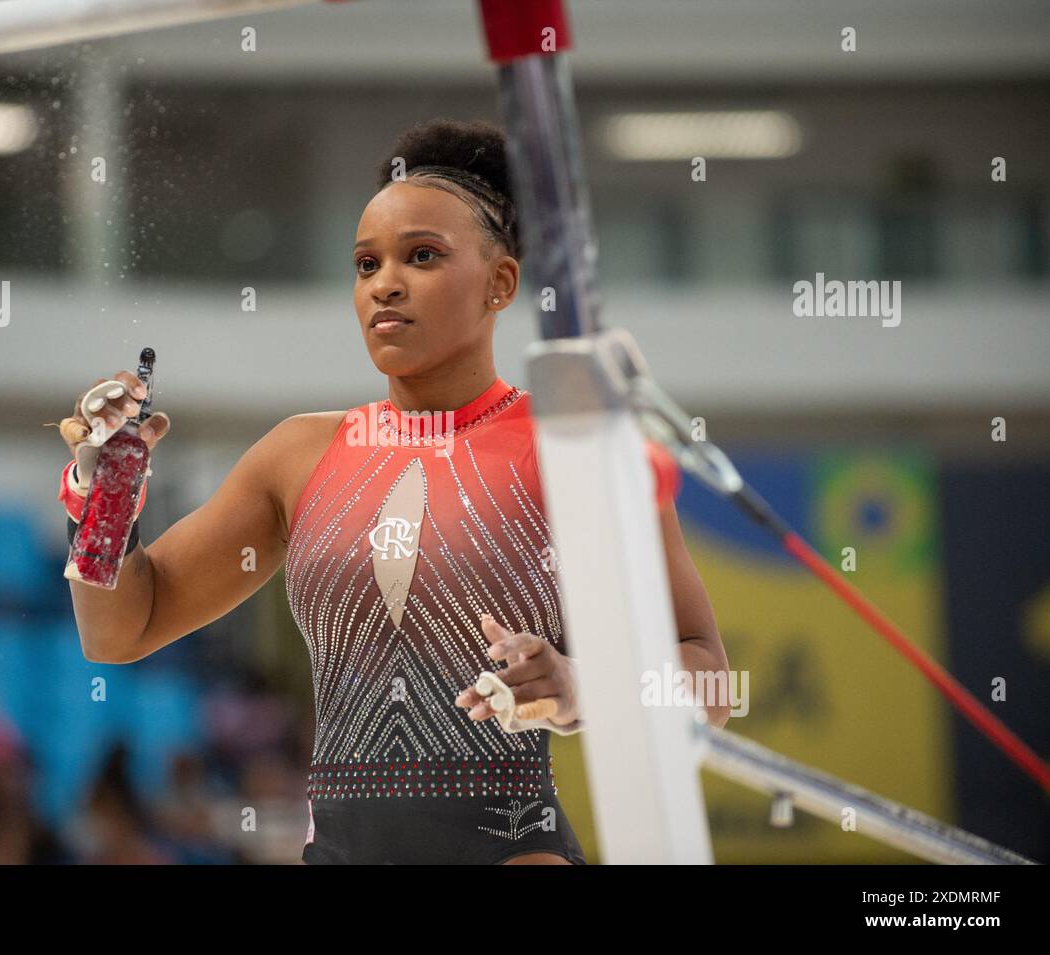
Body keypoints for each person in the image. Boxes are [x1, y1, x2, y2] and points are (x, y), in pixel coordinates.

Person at [57, 118, 729, 864]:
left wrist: (579, 685)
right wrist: (104, 490)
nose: (385, 282)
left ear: (500, 282)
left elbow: (711, 682)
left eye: (422, 256)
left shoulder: (571, 447)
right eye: (365, 262)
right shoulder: (298, 455)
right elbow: (119, 631)